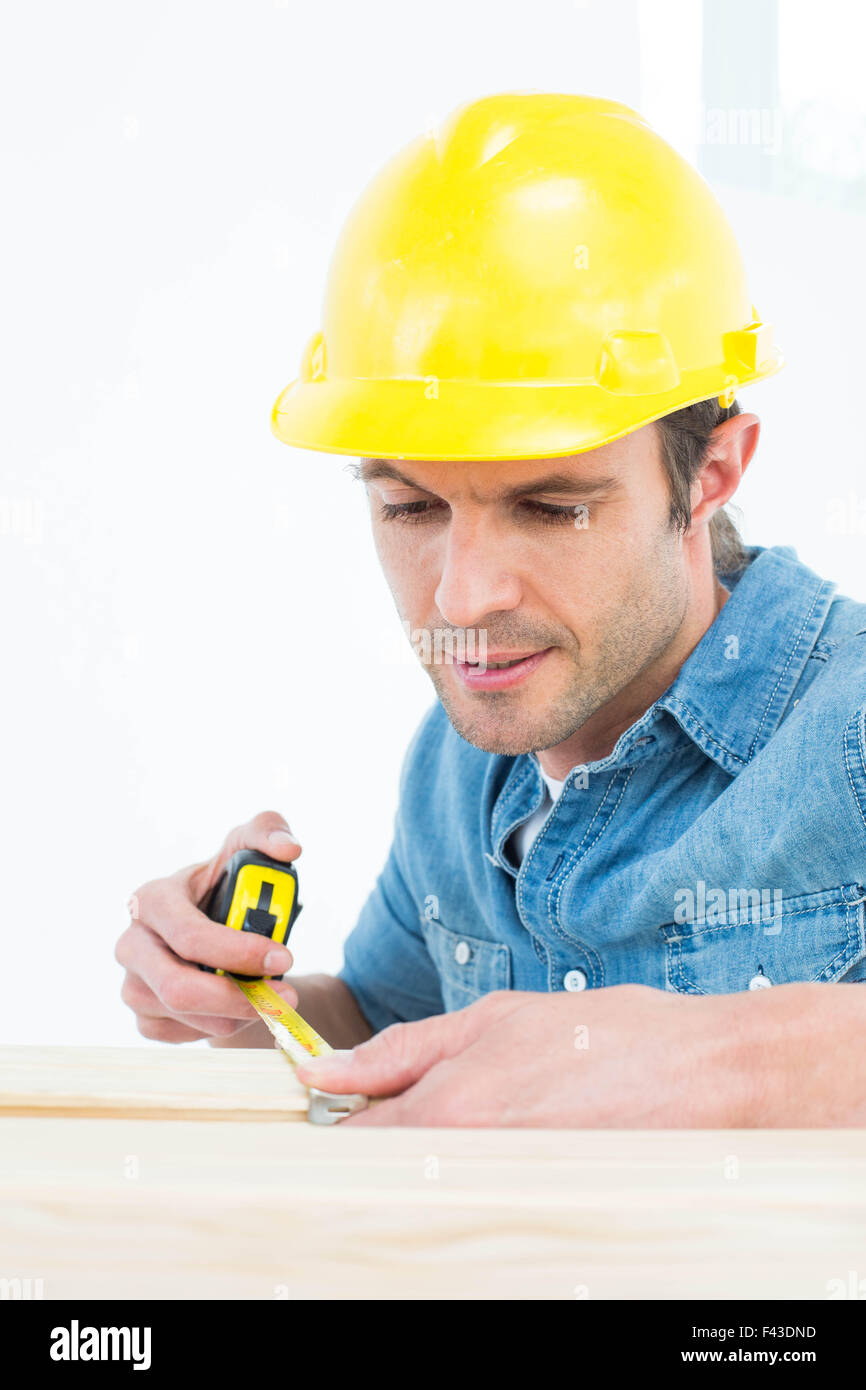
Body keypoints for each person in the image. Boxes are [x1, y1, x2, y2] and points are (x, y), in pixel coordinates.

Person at [116, 94, 866, 1127]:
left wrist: (708, 1061)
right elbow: (393, 1027)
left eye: (552, 507)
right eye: (409, 506)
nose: (462, 600)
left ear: (710, 474)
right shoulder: (457, 762)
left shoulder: (850, 726)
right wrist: (249, 1009)